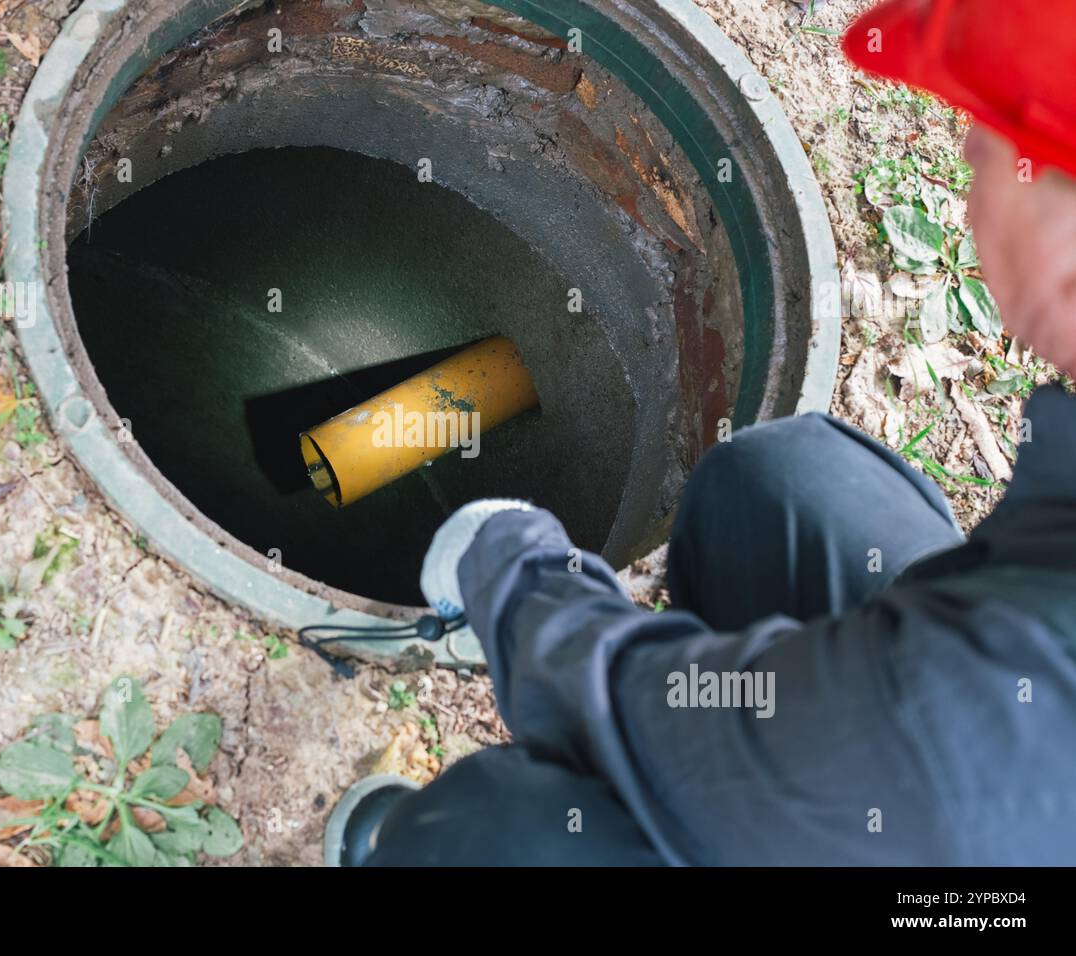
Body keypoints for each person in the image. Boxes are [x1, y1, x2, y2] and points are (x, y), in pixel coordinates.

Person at [326, 0, 1076, 866]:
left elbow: (646, 711)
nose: (974, 150)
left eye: (991, 134)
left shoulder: (978, 718)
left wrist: (504, 560)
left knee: (496, 834)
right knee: (789, 489)